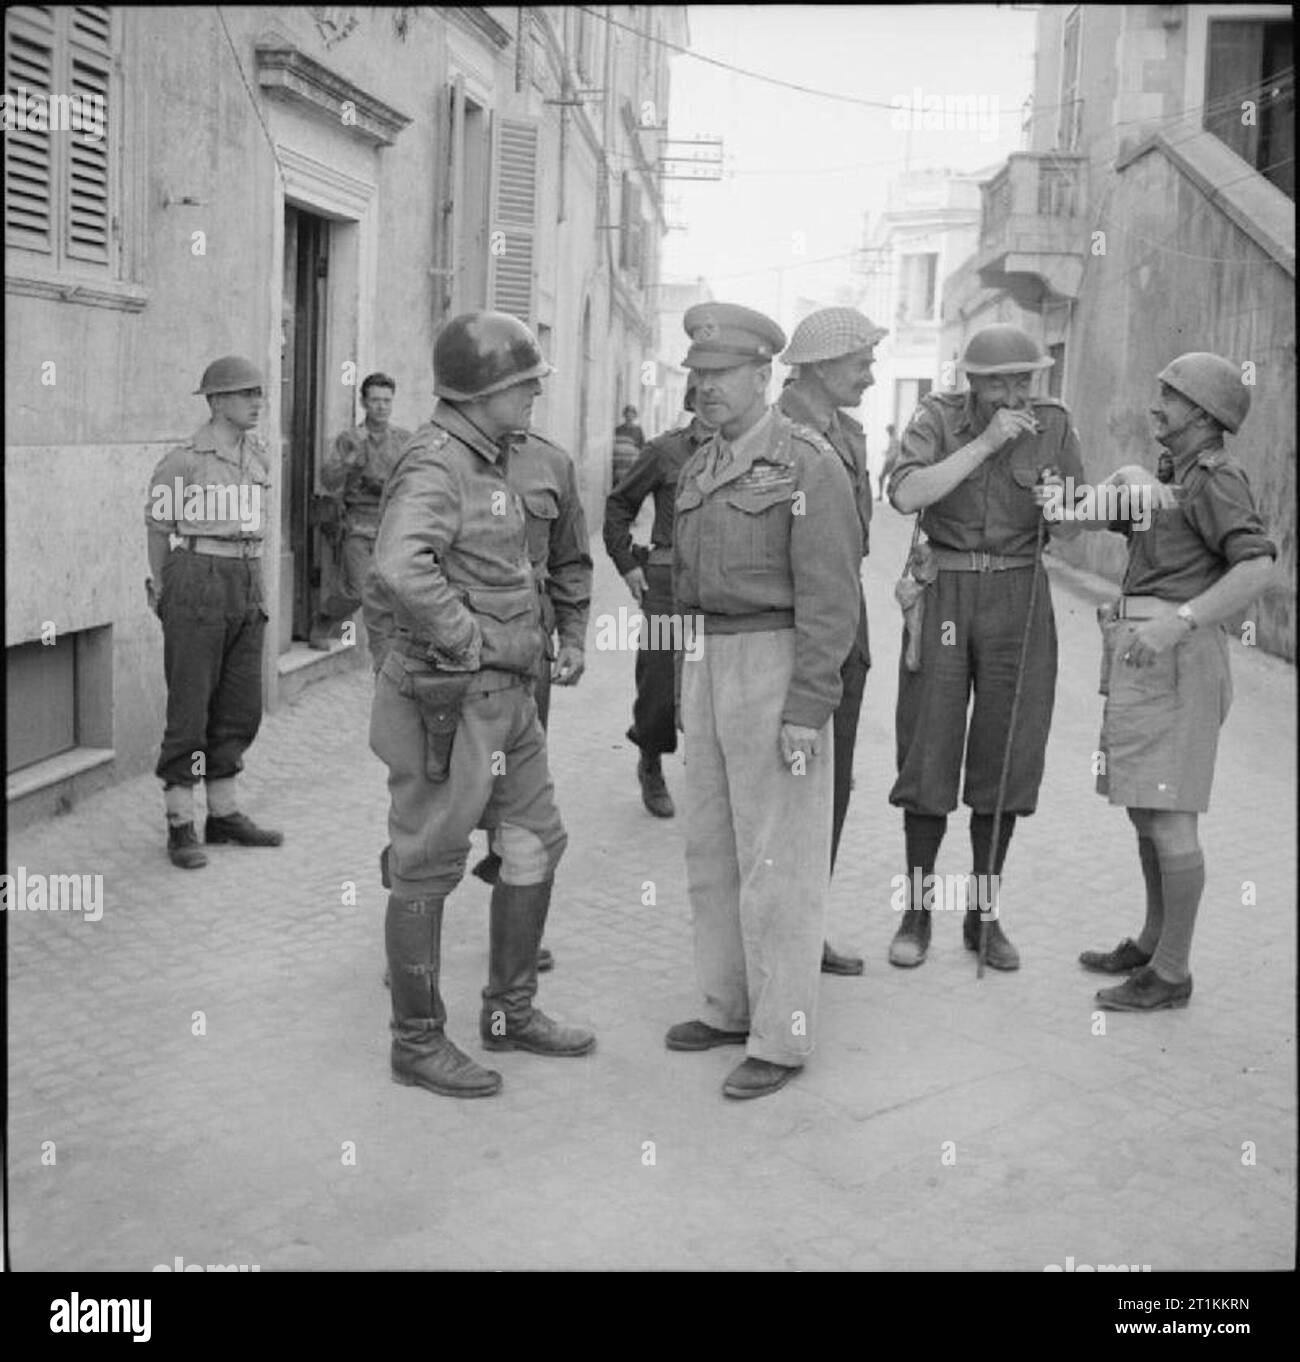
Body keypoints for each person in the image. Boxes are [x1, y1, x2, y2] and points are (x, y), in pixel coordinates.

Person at [363, 310, 595, 1100]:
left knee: (534, 841)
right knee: (427, 863)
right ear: (485, 389)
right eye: (524, 381)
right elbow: (399, 566)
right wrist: (465, 640)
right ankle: (418, 1042)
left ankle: (510, 1012)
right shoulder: (438, 465)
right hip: (450, 700)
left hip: (509, 702)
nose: (534, 391)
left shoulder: (496, 460)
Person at [665, 302, 860, 1100]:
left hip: (778, 663)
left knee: (779, 859)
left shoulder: (807, 462)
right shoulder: (699, 464)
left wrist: (808, 708)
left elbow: (832, 599)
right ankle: (727, 1004)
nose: (705, 390)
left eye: (719, 376)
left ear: (762, 375)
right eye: (697, 377)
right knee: (712, 846)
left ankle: (782, 1038)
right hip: (710, 661)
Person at [1048, 353, 1277, 1010]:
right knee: (1147, 810)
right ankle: (1153, 943)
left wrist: (1179, 622)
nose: (1156, 405)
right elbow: (1074, 521)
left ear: (1204, 415)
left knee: (1172, 819)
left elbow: (1258, 566)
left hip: (1174, 662)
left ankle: (1171, 974)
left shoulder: (1215, 479)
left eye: (1170, 396)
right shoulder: (1170, 480)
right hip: (1142, 661)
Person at [885, 324, 1084, 971]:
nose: (1016, 393)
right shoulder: (938, 418)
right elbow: (906, 493)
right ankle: (917, 912)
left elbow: (1074, 528)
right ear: (971, 380)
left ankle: (983, 914)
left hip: (1020, 596)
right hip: (947, 589)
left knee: (1007, 756)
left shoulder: (1054, 424)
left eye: (1024, 380)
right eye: (1001, 381)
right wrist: (986, 443)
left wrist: (1065, 507)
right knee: (928, 753)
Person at [778, 306, 890, 977]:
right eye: (862, 362)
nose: (872, 376)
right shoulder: (781, 432)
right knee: (790, 796)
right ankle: (779, 937)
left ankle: (804, 928)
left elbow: (861, 537)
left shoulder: (845, 432)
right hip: (799, 636)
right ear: (820, 365)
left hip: (844, 628)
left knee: (831, 791)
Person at [145, 355, 283, 870]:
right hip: (197, 577)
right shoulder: (185, 460)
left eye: (257, 393)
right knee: (191, 707)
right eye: (245, 393)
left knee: (240, 704)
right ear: (216, 400)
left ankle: (222, 814)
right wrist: (162, 589)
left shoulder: (259, 455)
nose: (256, 402)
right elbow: (159, 528)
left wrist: (258, 589)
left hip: (246, 583)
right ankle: (181, 821)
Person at [468, 429, 592, 974]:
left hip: (526, 647)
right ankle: (417, 941)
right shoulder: (435, 458)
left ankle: (513, 938)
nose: (529, 395)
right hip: (453, 650)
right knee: (439, 799)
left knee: (518, 796)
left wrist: (573, 636)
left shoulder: (551, 462)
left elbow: (570, 559)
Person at [603, 377, 714, 818]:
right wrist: (629, 565)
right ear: (689, 400)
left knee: (717, 683)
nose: (711, 400)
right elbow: (618, 507)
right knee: (659, 686)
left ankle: (711, 777)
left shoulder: (748, 452)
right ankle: (650, 762)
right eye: (701, 393)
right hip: (668, 581)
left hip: (725, 586)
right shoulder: (663, 451)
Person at [312, 373, 410, 649]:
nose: (381, 407)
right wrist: (347, 463)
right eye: (375, 400)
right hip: (357, 523)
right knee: (357, 589)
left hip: (391, 525)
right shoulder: (350, 438)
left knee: (391, 590)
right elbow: (328, 480)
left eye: (387, 401)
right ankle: (323, 619)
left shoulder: (403, 440)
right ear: (363, 402)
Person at [879, 423, 902, 501]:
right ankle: (883, 495)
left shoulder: (895, 440)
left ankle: (883, 495)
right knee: (886, 478)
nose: (888, 433)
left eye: (888, 431)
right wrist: (886, 452)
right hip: (890, 461)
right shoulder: (893, 439)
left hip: (890, 462)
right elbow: (893, 451)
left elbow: (897, 452)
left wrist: (892, 458)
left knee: (882, 478)